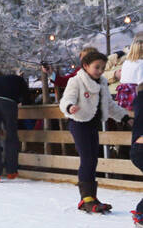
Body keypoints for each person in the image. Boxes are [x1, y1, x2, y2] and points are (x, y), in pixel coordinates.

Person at [60, 48, 131, 214]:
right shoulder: (76, 81)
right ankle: (86, 199)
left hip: (92, 124)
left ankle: (91, 196)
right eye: (96, 67)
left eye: (102, 68)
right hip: (79, 123)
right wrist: (70, 107)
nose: (100, 71)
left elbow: (110, 105)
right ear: (85, 66)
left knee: (93, 159)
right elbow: (65, 100)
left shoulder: (103, 83)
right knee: (87, 159)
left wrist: (125, 117)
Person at [0, 67, 30, 181]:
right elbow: (27, 97)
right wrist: (22, 102)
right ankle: (12, 171)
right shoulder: (18, 80)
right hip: (8, 103)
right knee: (11, 135)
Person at [116, 35, 143, 113]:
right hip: (136, 94)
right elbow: (141, 83)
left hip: (125, 94)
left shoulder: (126, 62)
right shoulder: (141, 63)